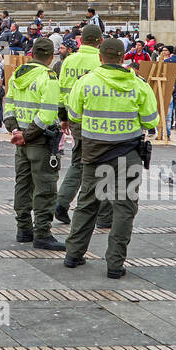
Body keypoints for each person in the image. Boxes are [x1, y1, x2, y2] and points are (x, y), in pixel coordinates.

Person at [61, 37, 159, 278]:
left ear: (101, 57)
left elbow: (73, 114)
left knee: (87, 204)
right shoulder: (139, 84)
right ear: (123, 57)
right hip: (128, 153)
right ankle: (115, 264)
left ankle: (73, 254)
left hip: (94, 153)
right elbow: (151, 121)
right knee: (124, 208)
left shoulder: (86, 82)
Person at [5, 37, 66, 251]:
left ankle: (23, 228)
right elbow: (48, 114)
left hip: (20, 140)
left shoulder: (18, 74)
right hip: (40, 141)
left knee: (22, 184)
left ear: (32, 53)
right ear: (51, 57)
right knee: (45, 187)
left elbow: (9, 106)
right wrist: (28, 135)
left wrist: (16, 131)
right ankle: (42, 233)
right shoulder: (48, 77)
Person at [53, 24, 113, 228]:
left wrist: (63, 117)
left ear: (81, 40)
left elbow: (61, 91)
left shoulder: (69, 60)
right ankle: (102, 215)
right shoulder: (101, 60)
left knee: (78, 162)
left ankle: (62, 202)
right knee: (105, 164)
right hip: (98, 120)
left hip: (75, 118)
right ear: (100, 41)